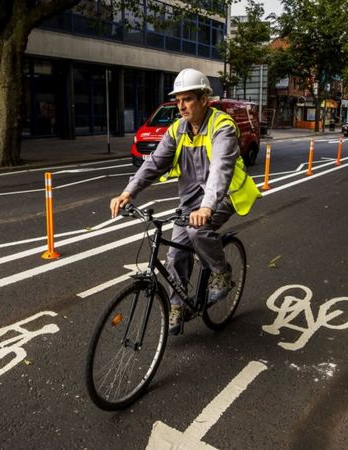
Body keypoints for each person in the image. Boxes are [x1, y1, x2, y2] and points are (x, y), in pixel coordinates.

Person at [109, 68, 260, 335]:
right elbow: (154, 163)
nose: (181, 106)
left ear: (204, 99)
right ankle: (178, 306)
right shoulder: (177, 129)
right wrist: (127, 193)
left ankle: (220, 271)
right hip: (191, 201)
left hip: (224, 195)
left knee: (197, 229)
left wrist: (207, 206)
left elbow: (221, 169)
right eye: (177, 100)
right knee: (175, 252)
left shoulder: (221, 126)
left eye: (187, 99)